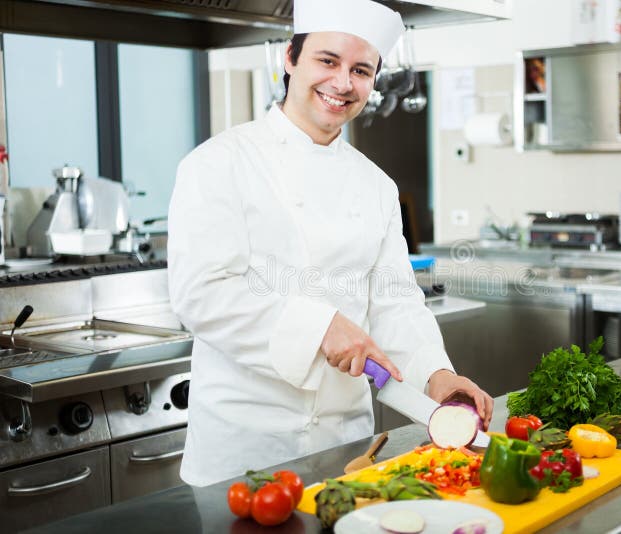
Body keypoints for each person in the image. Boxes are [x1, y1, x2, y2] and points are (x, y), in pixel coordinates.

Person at [168, 0, 493, 487]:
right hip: (242, 448)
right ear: (290, 59)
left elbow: (397, 304)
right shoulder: (217, 164)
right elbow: (202, 294)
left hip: (345, 447)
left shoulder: (376, 186)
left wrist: (436, 376)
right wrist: (322, 328)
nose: (343, 83)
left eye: (361, 70)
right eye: (327, 61)